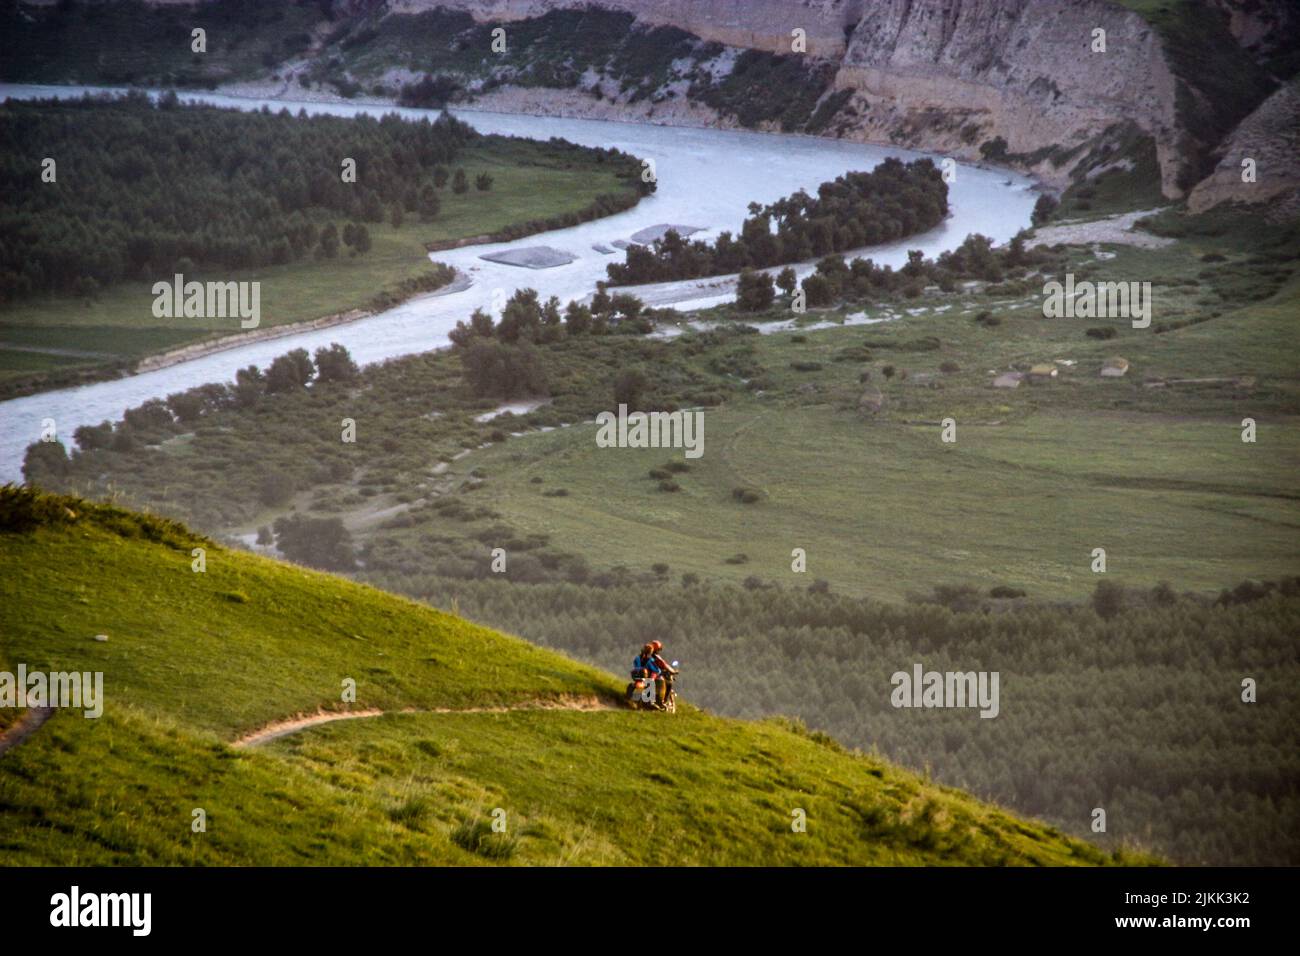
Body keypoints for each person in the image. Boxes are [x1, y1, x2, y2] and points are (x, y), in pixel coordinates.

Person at [646, 640, 678, 708]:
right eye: (659, 649)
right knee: (669, 683)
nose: (659, 651)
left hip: (648, 675)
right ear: (657, 649)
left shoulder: (647, 656)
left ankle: (655, 700)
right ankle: (664, 701)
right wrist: (673, 671)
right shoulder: (656, 657)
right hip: (655, 675)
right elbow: (665, 665)